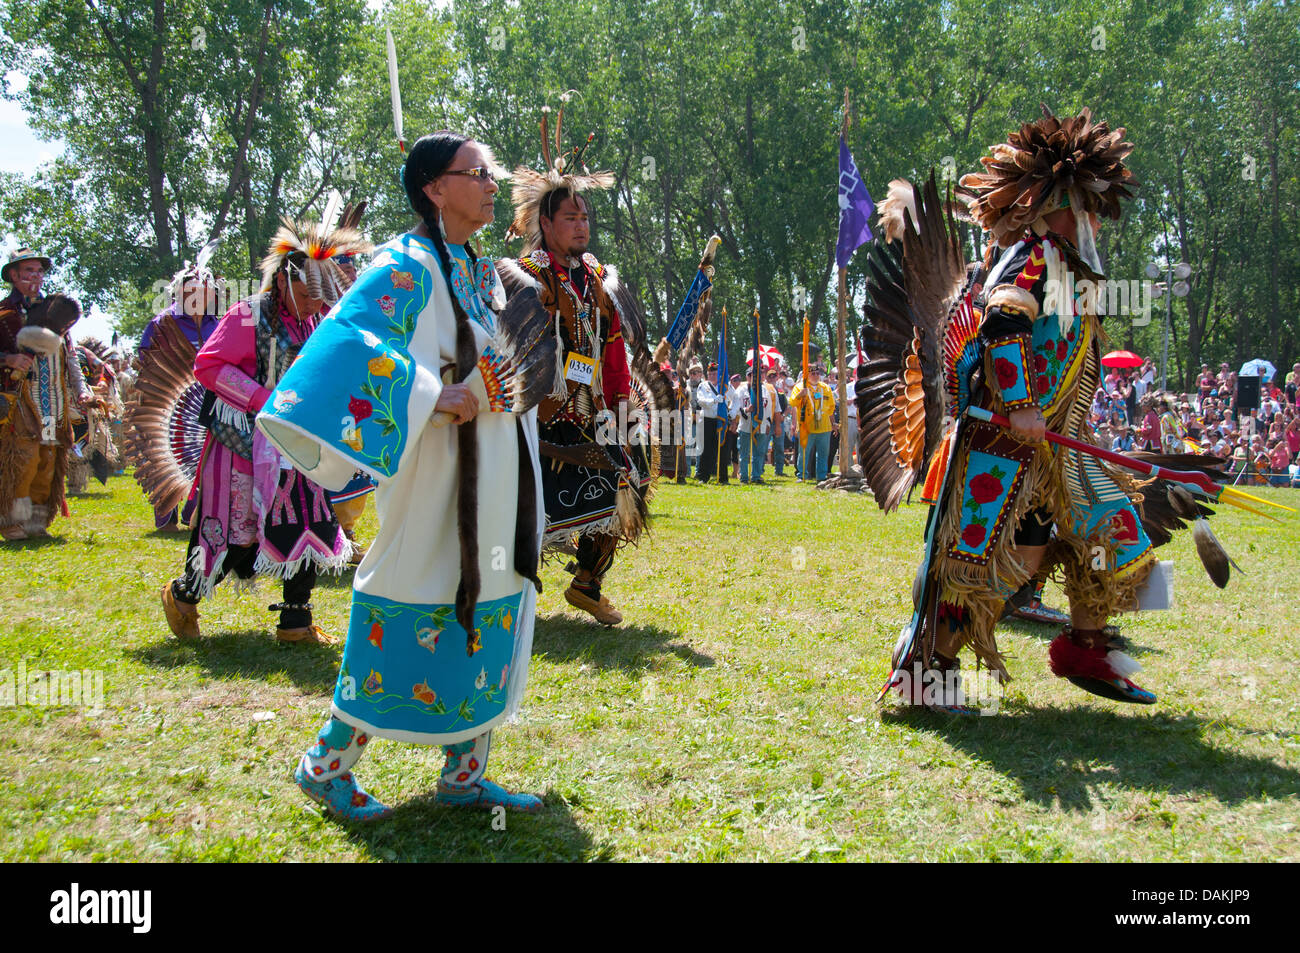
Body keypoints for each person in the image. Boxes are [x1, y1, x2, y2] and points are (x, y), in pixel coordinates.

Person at [258, 132, 546, 820]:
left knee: (492, 591)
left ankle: (464, 772)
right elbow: (346, 343)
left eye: (490, 173)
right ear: (433, 187)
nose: (489, 183)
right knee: (409, 589)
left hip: (497, 465)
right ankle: (325, 765)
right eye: (474, 173)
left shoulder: (477, 269)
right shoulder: (405, 263)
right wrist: (427, 394)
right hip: (436, 471)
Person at [866, 107, 1165, 709]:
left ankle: (1088, 645)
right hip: (1002, 445)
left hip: (1054, 447)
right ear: (1050, 206)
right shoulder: (1032, 257)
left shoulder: (1071, 270)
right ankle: (927, 666)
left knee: (1111, 534)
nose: (1094, 223)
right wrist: (1023, 406)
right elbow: (1002, 325)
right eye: (1085, 209)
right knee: (987, 565)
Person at [159, 217, 361, 645]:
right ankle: (184, 596)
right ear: (286, 280)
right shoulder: (248, 315)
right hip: (242, 444)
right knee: (236, 528)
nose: (312, 305)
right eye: (307, 295)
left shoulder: (311, 322)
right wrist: (260, 399)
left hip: (296, 443)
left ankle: (295, 622)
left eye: (318, 297)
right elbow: (209, 365)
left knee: (307, 521)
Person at [495, 111, 653, 627]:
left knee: (629, 476)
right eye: (570, 218)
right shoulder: (522, 277)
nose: (581, 226)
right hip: (537, 413)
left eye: (585, 218)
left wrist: (624, 408)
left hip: (590, 410)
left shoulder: (601, 279)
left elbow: (613, 355)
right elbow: (506, 350)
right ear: (545, 225)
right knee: (520, 501)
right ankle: (507, 583)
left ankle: (587, 582)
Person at [0, 248, 93, 540]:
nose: (35, 277)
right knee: (23, 459)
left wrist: (81, 389)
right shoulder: (5, 313)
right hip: (21, 401)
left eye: (39, 271)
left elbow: (71, 357)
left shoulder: (55, 312)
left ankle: (37, 522)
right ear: (14, 276)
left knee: (47, 459)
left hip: (54, 400)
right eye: (28, 271)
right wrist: (8, 359)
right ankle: (12, 522)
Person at [790, 363, 835, 482]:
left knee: (823, 454)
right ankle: (802, 475)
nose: (815, 375)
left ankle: (821, 476)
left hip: (824, 426)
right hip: (806, 427)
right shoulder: (800, 387)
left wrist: (832, 422)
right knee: (804, 453)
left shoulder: (825, 388)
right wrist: (801, 394)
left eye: (817, 373)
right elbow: (793, 403)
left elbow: (831, 407)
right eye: (812, 373)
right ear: (807, 375)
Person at [694, 362, 731, 483]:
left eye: (715, 374)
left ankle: (723, 477)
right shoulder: (703, 386)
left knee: (722, 449)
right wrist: (714, 400)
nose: (712, 376)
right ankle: (703, 476)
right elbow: (700, 400)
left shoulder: (725, 385)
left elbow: (735, 399)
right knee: (706, 450)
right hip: (707, 420)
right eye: (710, 374)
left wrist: (732, 412)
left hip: (721, 420)